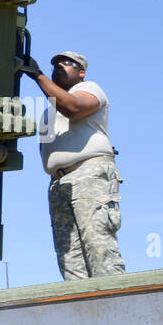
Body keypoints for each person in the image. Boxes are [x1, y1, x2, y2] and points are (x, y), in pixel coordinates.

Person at [17, 51, 126, 280]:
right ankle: (83, 310)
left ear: (81, 72)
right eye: (55, 63)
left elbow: (74, 108)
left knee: (99, 250)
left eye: (66, 63)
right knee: (69, 260)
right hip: (59, 183)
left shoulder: (89, 89)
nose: (59, 66)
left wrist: (38, 75)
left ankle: (116, 306)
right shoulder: (48, 112)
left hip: (88, 174)